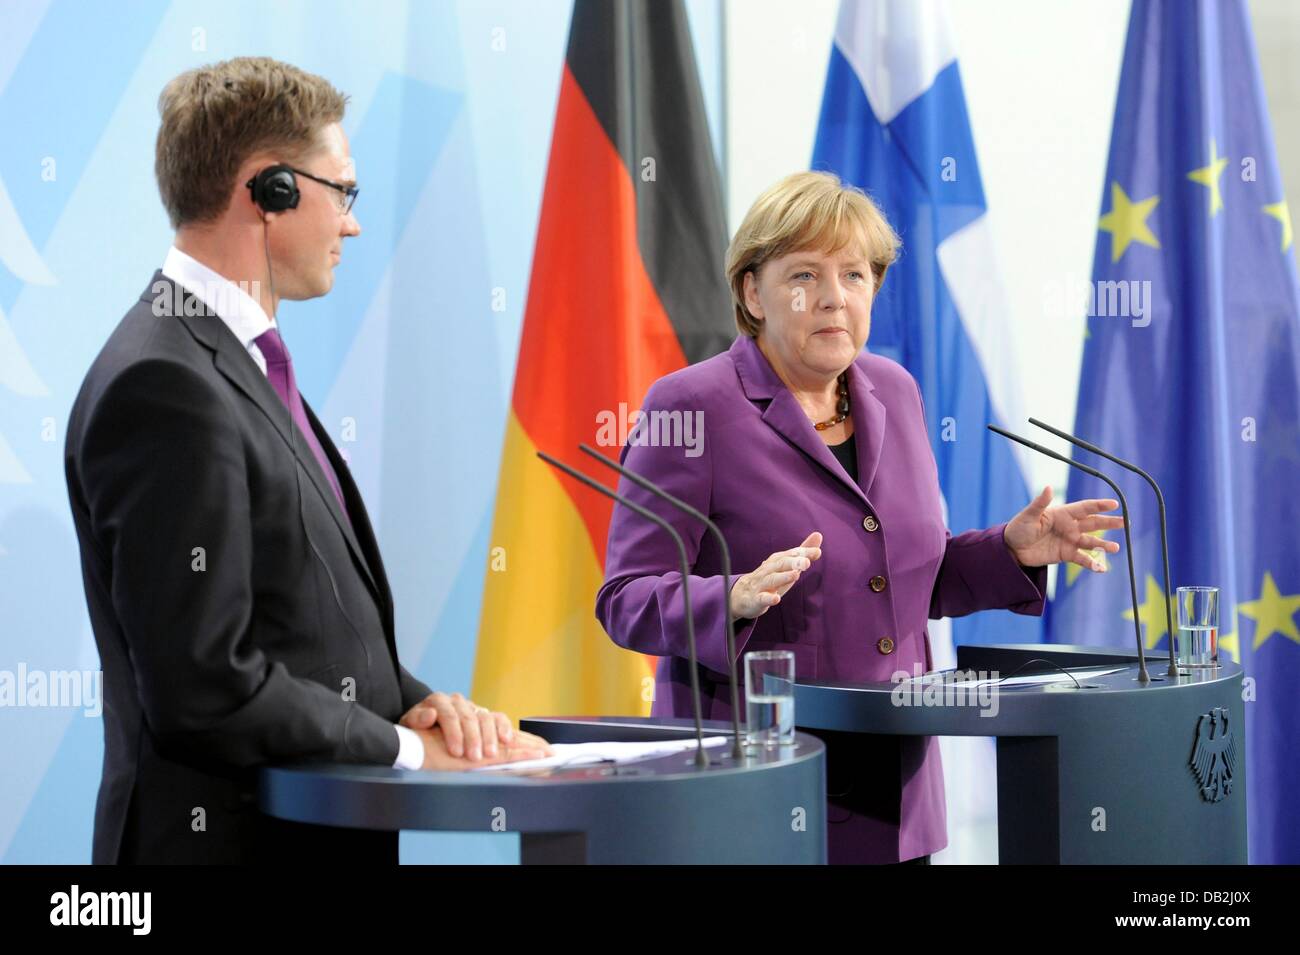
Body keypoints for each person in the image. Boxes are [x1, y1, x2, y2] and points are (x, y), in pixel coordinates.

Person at [64, 57, 549, 865]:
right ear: (270, 189)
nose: (352, 223)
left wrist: (422, 709)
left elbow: (302, 628)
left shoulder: (230, 360)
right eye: (343, 191)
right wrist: (400, 750)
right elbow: (205, 685)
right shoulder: (164, 383)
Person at [596, 171, 1123, 864]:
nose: (833, 298)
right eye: (805, 275)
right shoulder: (689, 405)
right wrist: (731, 596)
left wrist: (1010, 551)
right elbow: (624, 597)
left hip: (898, 792)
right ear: (753, 292)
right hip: (764, 787)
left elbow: (909, 577)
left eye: (854, 274)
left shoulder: (894, 391)